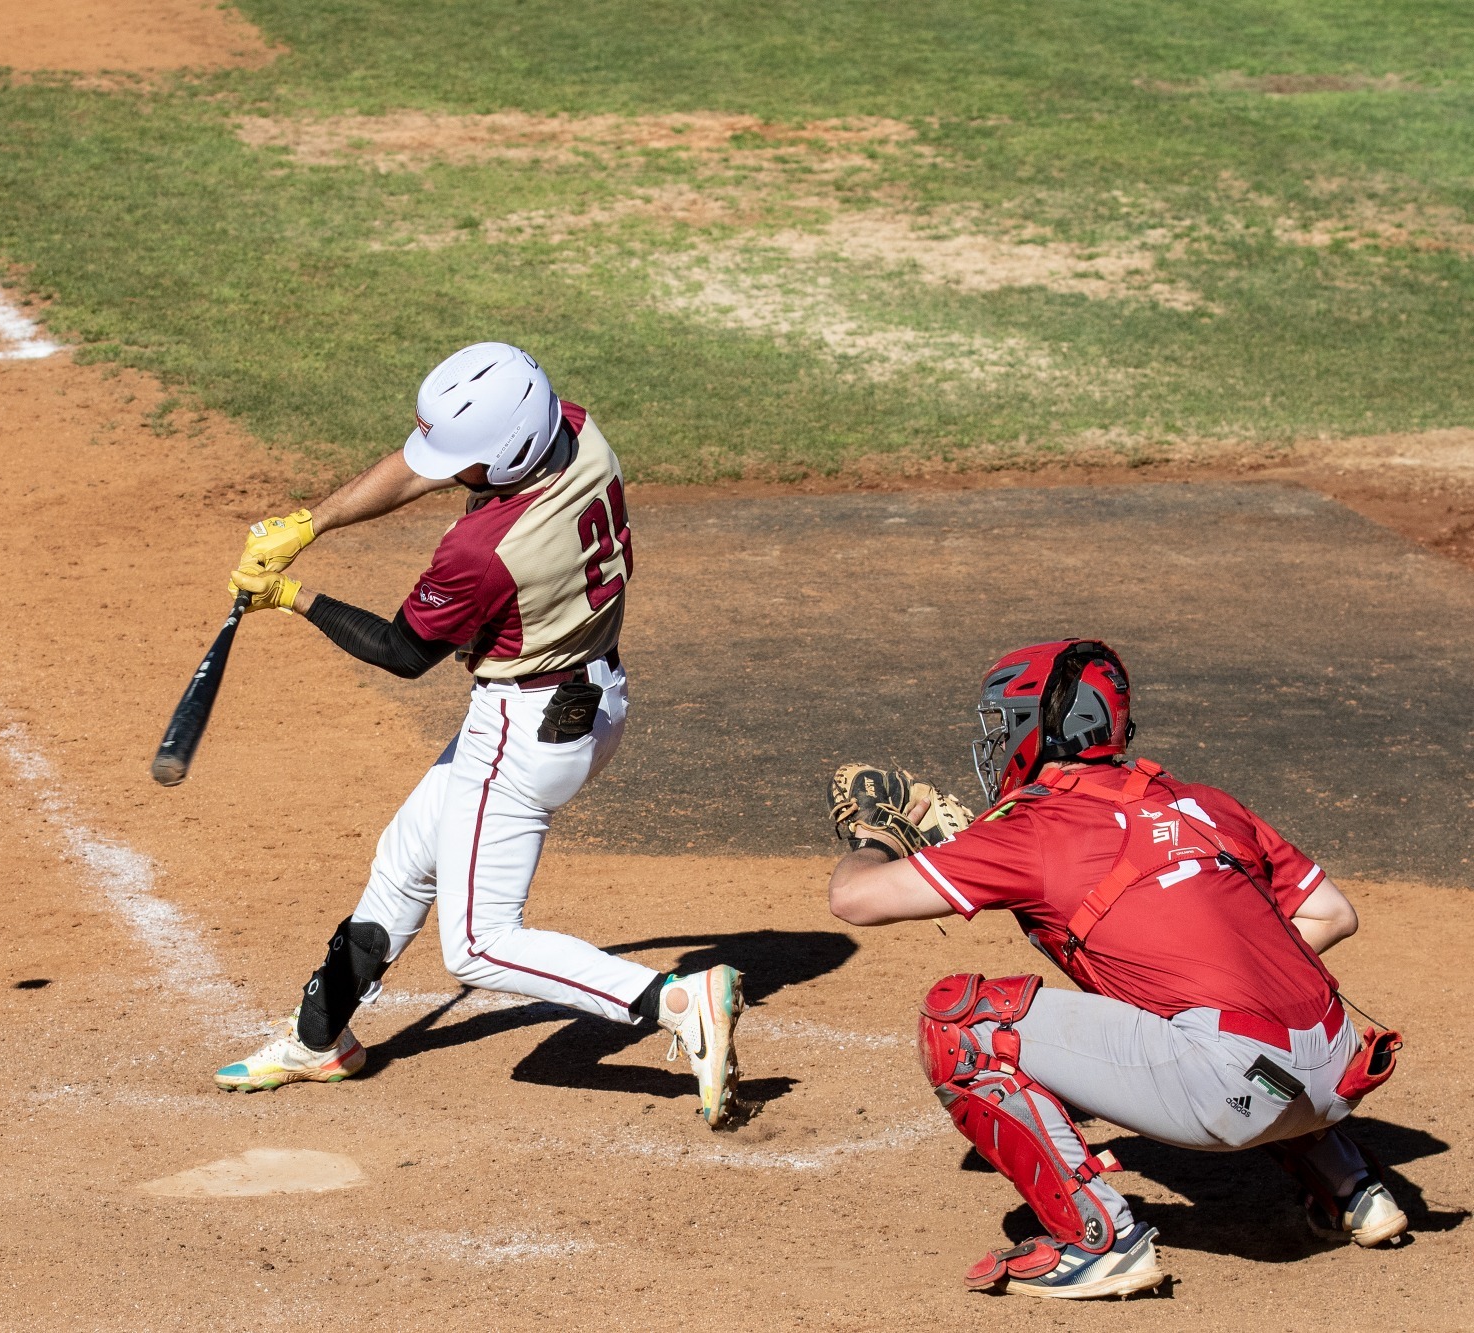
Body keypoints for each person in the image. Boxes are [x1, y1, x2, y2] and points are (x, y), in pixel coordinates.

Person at [212, 342, 744, 1128]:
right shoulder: (576, 432)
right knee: (407, 858)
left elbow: (401, 653)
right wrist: (309, 521)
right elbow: (433, 459)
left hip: (521, 727)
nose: (443, 473)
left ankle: (671, 1000)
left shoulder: (483, 551)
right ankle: (319, 1039)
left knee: (478, 944)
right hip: (592, 693)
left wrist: (292, 595)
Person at [824, 638, 1406, 1299]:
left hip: (1234, 1092)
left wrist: (875, 837)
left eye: (1004, 720)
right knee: (1220, 999)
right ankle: (1352, 1188)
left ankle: (1099, 1242)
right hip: (1338, 1072)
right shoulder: (1203, 801)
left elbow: (854, 898)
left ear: (1038, 726)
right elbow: (1332, 915)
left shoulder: (1031, 827)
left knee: (962, 1024)